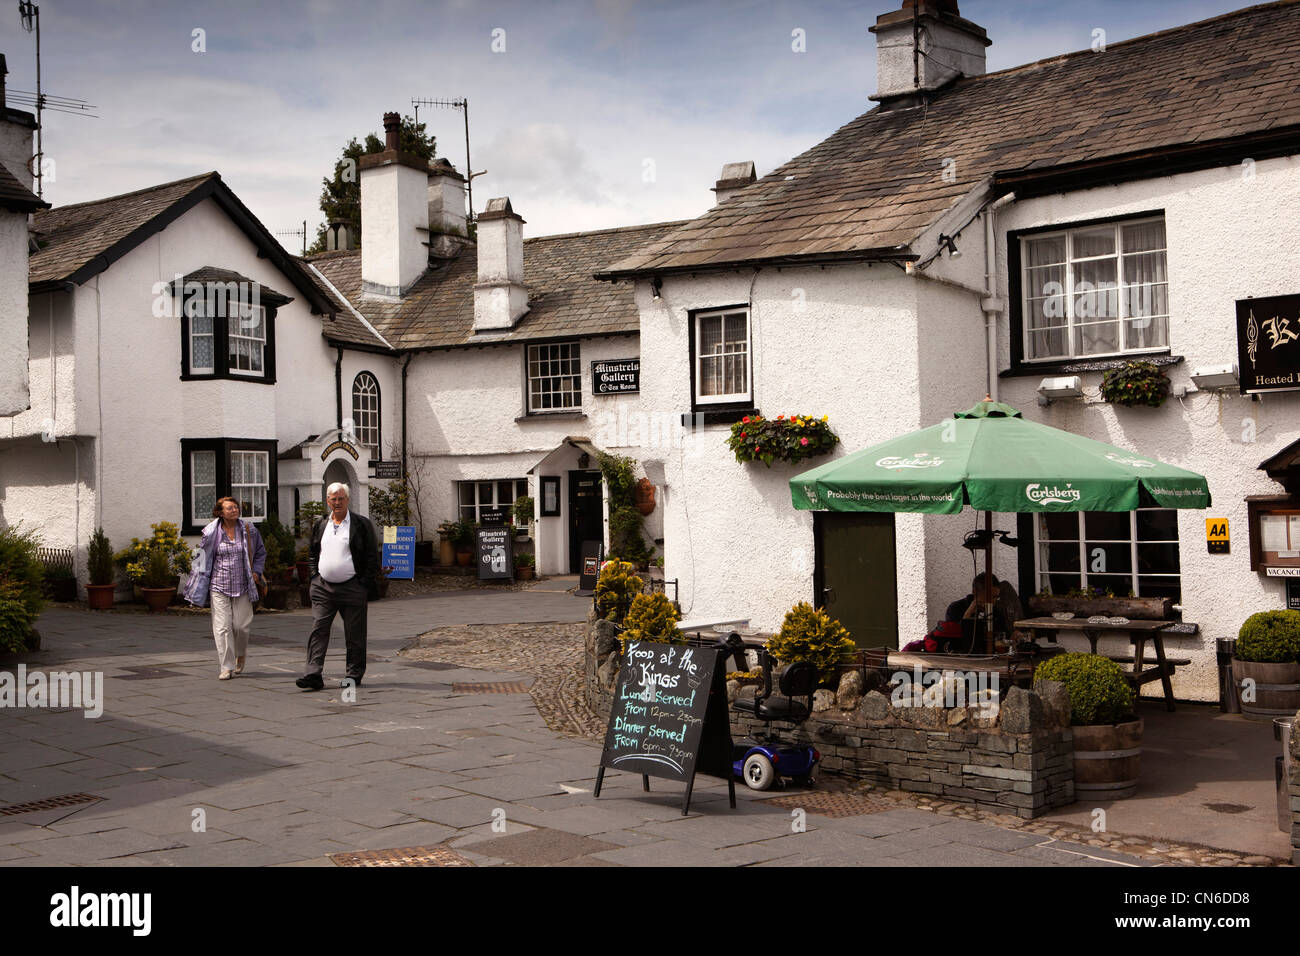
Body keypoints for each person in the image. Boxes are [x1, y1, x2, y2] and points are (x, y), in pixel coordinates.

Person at [296, 483, 380, 691]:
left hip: (352, 587)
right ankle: (313, 674)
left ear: (348, 500)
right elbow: (313, 553)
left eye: (341, 498)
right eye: (333, 499)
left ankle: (353, 674)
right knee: (318, 630)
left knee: (354, 634)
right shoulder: (321, 524)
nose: (337, 502)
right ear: (328, 501)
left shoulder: (361, 525)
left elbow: (371, 557)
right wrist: (314, 577)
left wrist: (363, 584)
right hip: (323, 588)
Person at [184, 497, 266, 680]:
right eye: (230, 508)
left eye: (236, 507)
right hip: (218, 585)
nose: (234, 510)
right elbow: (201, 555)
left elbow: (260, 552)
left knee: (241, 627)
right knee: (222, 628)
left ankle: (240, 653)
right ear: (220, 512)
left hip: (243, 584)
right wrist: (196, 580)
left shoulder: (248, 529)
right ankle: (226, 666)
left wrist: (257, 572)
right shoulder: (211, 532)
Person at [945, 573, 1023, 648]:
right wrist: (969, 612)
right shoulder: (955, 608)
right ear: (975, 592)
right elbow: (954, 638)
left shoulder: (995, 611)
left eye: (996, 597)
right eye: (989, 596)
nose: (993, 601)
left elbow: (1003, 635)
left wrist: (1013, 636)